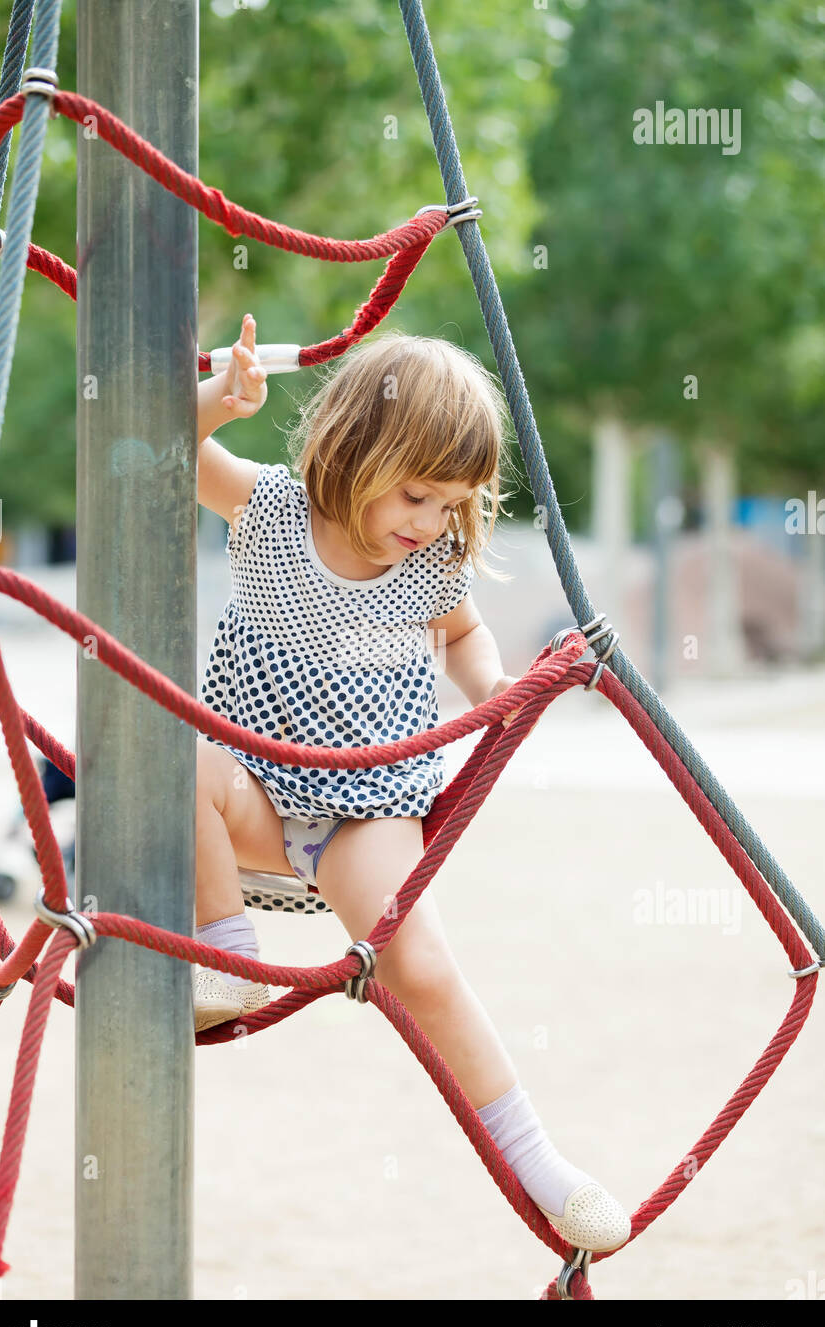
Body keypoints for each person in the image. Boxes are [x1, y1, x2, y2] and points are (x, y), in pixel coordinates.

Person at [193, 314, 630, 1252]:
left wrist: (497, 693)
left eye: (451, 505)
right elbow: (163, 454)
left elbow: (466, 637)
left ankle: (540, 1162)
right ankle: (223, 947)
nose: (429, 524)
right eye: (418, 495)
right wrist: (217, 401)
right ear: (351, 447)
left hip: (367, 808)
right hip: (255, 794)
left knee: (420, 966)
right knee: (173, 751)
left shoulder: (430, 563)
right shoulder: (269, 512)